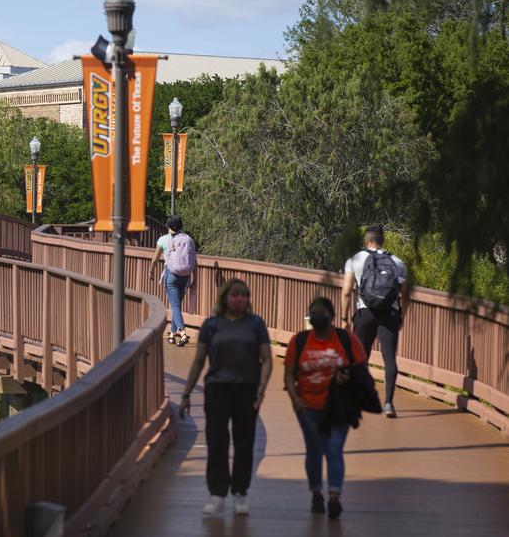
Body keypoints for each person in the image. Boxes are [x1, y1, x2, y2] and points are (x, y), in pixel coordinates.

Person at [178, 278, 272, 516]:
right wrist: (186, 393)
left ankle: (240, 492)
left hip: (247, 389)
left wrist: (261, 388)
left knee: (244, 442)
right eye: (235, 294)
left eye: (244, 295)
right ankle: (217, 493)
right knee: (217, 441)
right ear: (225, 298)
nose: (240, 299)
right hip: (217, 388)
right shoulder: (211, 325)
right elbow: (199, 360)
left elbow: (267, 358)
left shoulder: (255, 324)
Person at [285, 297, 368, 520]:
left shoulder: (346, 340)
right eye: (313, 313)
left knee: (333, 448)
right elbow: (289, 373)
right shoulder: (299, 341)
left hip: (340, 404)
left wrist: (347, 377)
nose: (317, 316)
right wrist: (295, 398)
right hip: (307, 406)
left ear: (331, 316)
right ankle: (315, 491)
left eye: (321, 313)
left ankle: (333, 497)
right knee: (314, 450)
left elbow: (361, 370)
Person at [341, 224, 408, 417]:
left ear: (366, 240)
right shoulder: (397, 262)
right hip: (389, 314)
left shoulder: (355, 259)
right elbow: (405, 294)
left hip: (365, 313)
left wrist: (344, 319)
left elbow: (346, 291)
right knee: (389, 359)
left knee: (360, 357)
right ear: (383, 241)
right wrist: (402, 314)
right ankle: (388, 403)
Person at [148, 216, 197, 346]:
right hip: (186, 276)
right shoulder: (188, 239)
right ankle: (172, 334)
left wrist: (151, 271)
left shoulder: (163, 239)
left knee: (174, 306)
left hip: (172, 275)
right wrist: (195, 279)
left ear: (168, 226)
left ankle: (183, 333)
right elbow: (194, 261)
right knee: (177, 305)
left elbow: (154, 259)